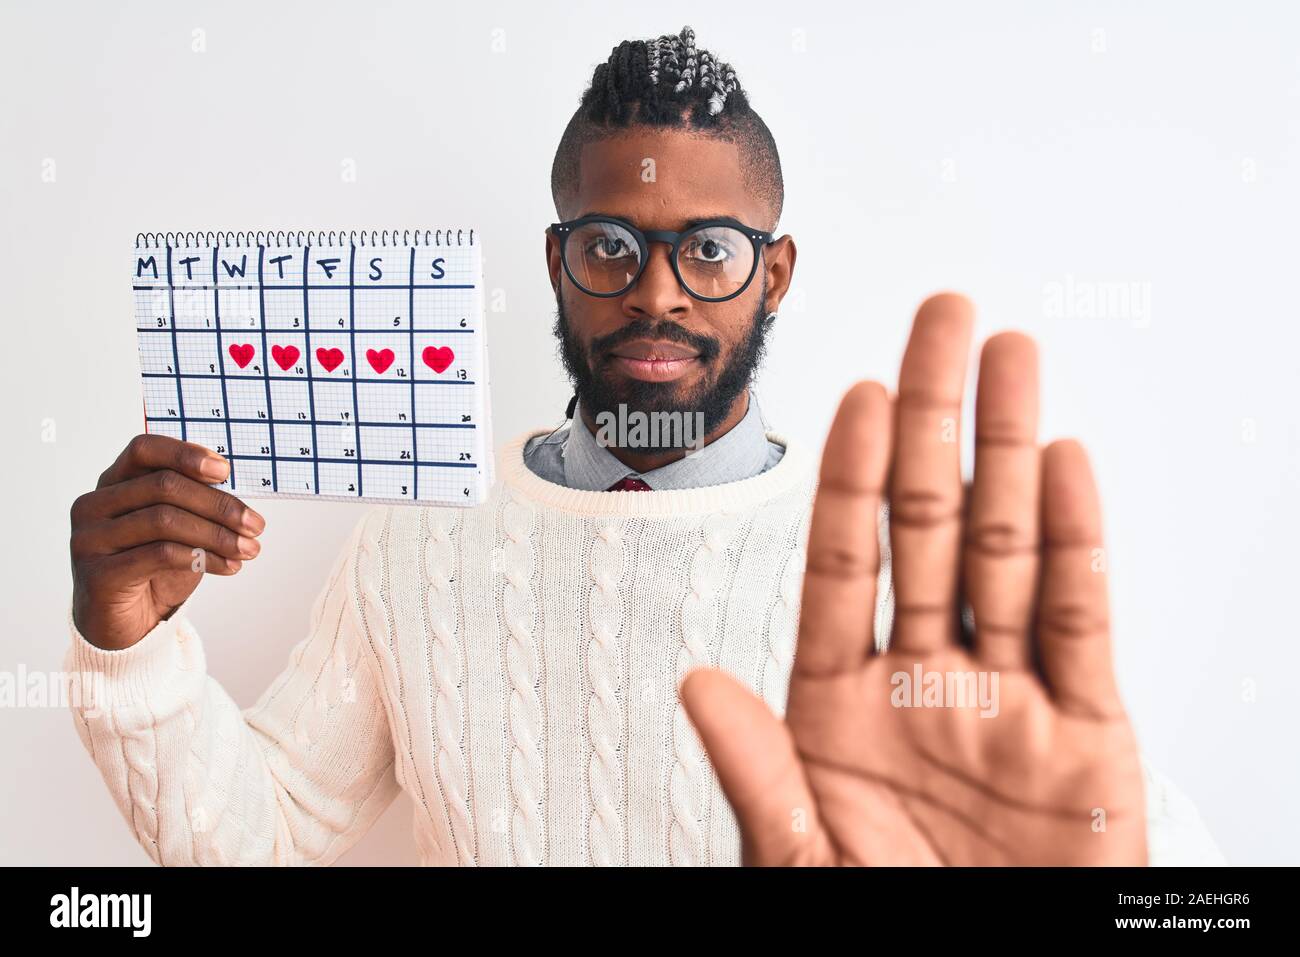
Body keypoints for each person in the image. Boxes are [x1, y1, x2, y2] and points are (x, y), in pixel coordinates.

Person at [65, 25, 1222, 866]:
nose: (656, 296)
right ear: (559, 260)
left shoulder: (898, 566)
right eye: (612, 247)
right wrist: (129, 651)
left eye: (708, 251)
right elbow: (261, 841)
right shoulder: (414, 544)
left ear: (774, 274)